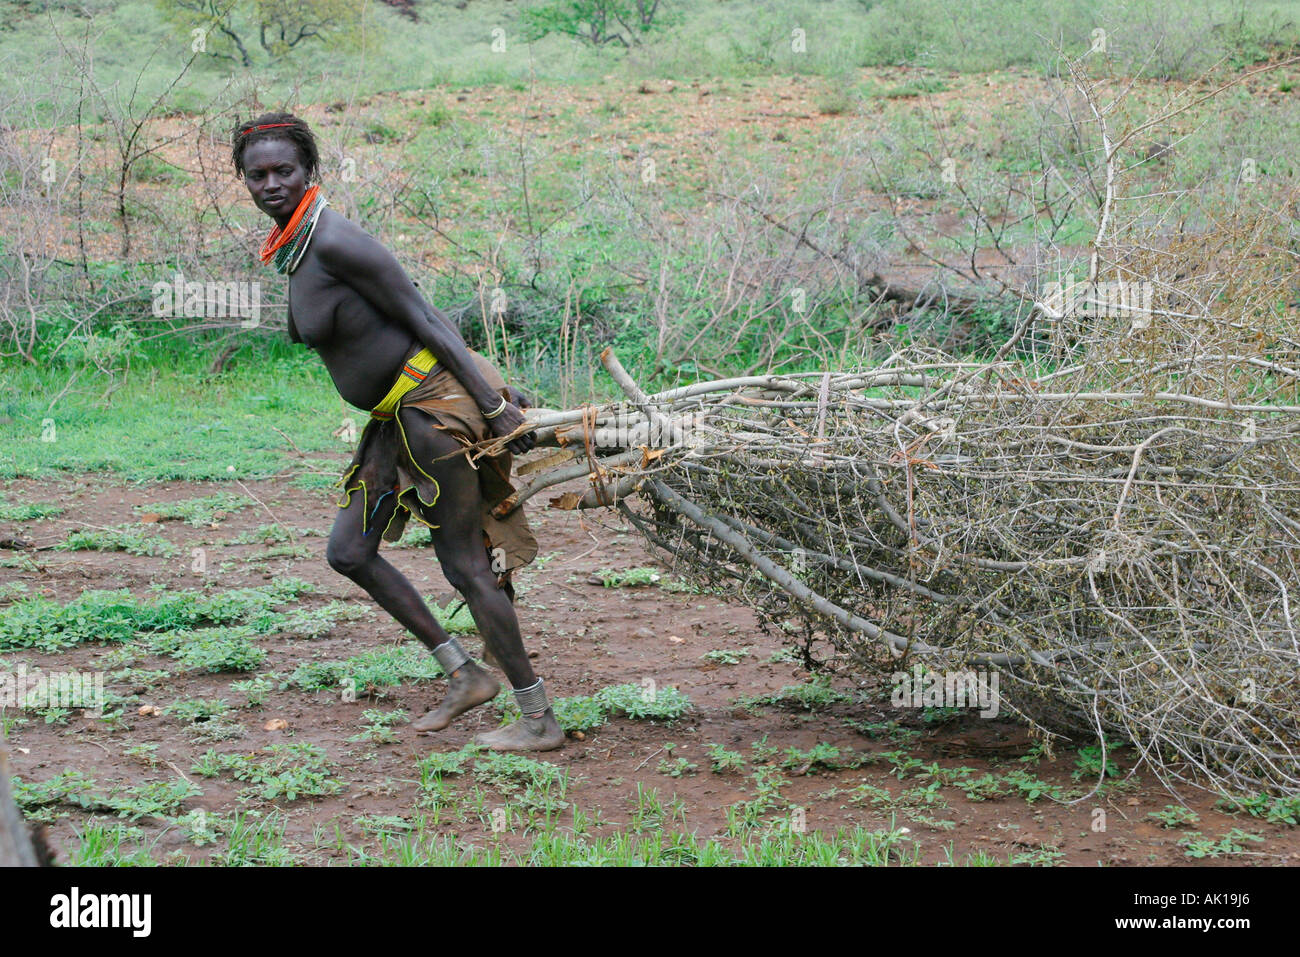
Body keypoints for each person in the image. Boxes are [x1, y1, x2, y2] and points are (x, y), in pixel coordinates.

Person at [233, 112, 564, 751]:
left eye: (284, 171)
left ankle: (538, 718)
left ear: (309, 171)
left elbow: (426, 317)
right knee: (349, 552)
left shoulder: (335, 240)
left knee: (465, 565)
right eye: (258, 175)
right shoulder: (297, 244)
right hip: (395, 415)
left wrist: (494, 405)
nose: (271, 184)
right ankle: (465, 676)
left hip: (432, 407)